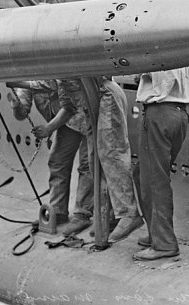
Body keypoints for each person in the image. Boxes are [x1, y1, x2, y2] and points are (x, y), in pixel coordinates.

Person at [42, 76, 143, 242]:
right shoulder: (60, 76)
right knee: (94, 162)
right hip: (88, 103)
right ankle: (107, 216)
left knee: (111, 154)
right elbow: (67, 103)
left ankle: (129, 213)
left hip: (103, 96)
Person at [133, 63, 189, 261]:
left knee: (154, 180)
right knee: (143, 173)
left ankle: (164, 243)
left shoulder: (154, 40)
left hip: (159, 112)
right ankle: (155, 232)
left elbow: (139, 70)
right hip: (180, 114)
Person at [7, 79, 94, 235]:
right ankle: (58, 212)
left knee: (88, 164)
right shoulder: (27, 71)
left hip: (87, 110)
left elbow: (68, 105)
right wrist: (16, 103)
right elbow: (22, 112)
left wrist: (49, 128)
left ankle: (82, 214)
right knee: (58, 161)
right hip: (67, 120)